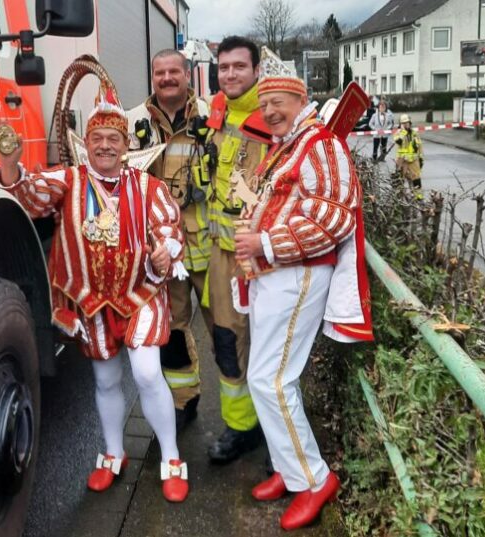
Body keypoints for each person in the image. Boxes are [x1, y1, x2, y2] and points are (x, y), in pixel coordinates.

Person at [0, 82, 189, 502]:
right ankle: (114, 453)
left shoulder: (147, 186)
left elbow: (171, 230)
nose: (104, 146)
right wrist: (10, 165)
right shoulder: (70, 180)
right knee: (105, 379)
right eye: (96, 139)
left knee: (148, 372)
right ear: (87, 144)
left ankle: (171, 457)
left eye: (112, 139)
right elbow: (29, 196)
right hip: (91, 301)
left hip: (141, 295)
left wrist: (164, 253)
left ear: (125, 144)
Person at [232, 70, 374, 530]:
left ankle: (314, 481)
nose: (270, 111)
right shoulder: (287, 146)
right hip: (277, 276)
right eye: (265, 103)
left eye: (279, 102)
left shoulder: (319, 144)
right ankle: (288, 470)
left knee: (273, 381)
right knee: (264, 379)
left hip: (299, 275)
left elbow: (337, 218)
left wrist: (266, 245)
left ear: (301, 101)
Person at [127, 49, 212, 431]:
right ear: (152, 76)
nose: (166, 78)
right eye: (159, 72)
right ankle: (183, 402)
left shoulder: (212, 117)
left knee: (226, 331)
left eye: (173, 71)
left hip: (210, 245)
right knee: (173, 332)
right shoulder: (134, 122)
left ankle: (244, 419)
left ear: (188, 74)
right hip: (163, 248)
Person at [204, 35, 274, 464]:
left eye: (238, 67)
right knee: (228, 343)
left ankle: (278, 431)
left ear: (255, 70)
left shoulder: (273, 114)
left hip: (266, 258)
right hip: (220, 255)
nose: (229, 74)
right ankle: (241, 428)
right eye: (223, 67)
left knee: (272, 346)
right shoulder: (215, 113)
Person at [394, 113, 424, 189]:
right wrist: (403, 132)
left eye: (407, 123)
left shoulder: (414, 133)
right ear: (401, 124)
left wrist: (421, 158)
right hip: (402, 161)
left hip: (413, 160)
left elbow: (419, 146)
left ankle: (418, 197)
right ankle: (398, 197)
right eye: (403, 123)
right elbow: (398, 142)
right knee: (400, 180)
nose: (406, 125)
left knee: (416, 179)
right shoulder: (398, 133)